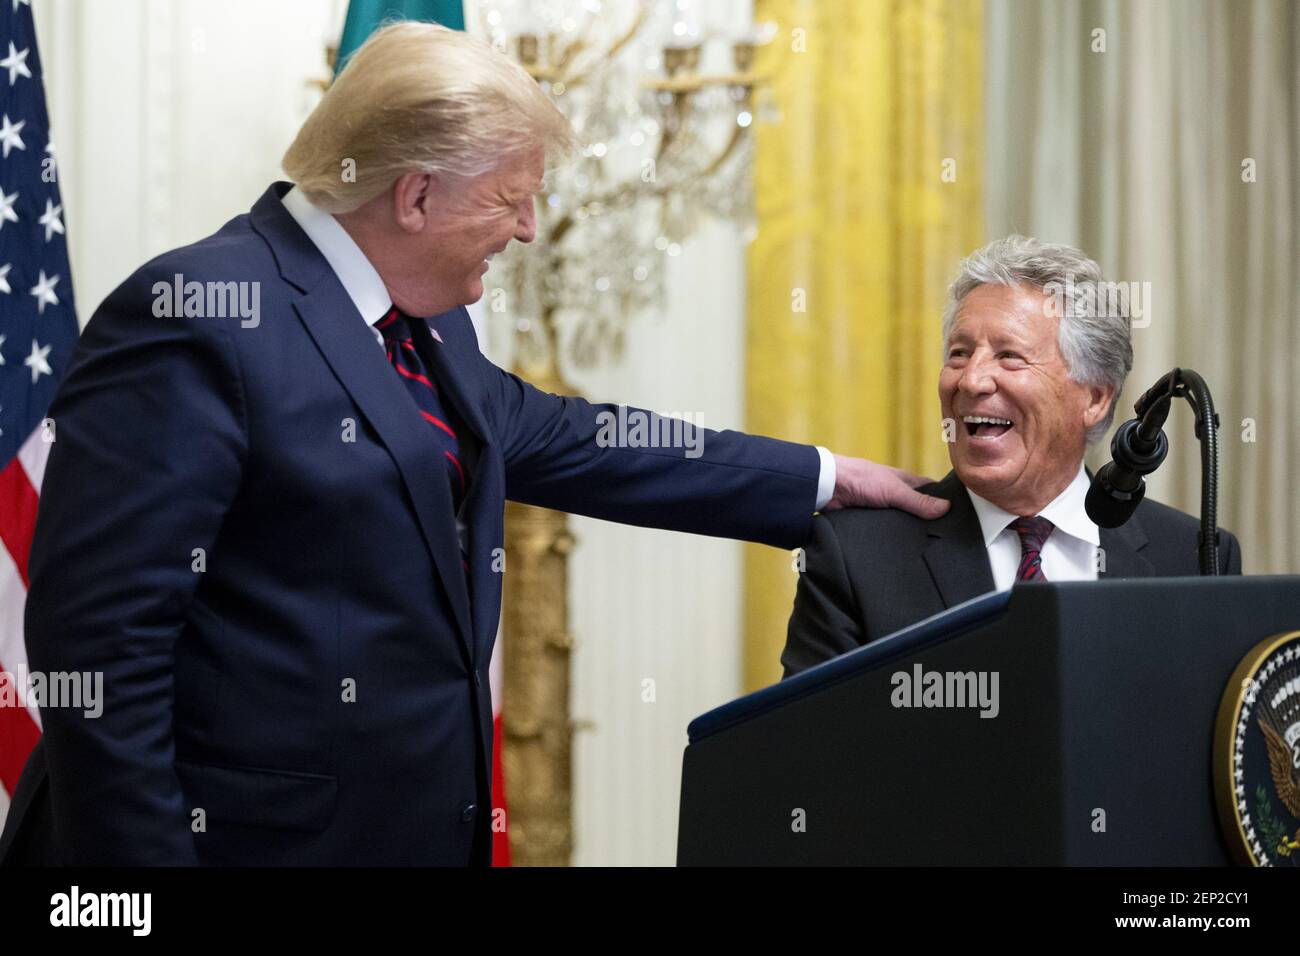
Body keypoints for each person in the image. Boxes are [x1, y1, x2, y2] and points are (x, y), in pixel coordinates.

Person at [0, 22, 946, 866]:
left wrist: (825, 477)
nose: (530, 230)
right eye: (510, 199)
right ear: (414, 195)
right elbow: (100, 654)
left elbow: (585, 438)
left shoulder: (429, 323)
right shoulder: (199, 319)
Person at [781, 235, 1241, 678]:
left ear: (1096, 398)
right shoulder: (856, 556)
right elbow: (809, 750)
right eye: (959, 354)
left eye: (1009, 357)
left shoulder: (1192, 556)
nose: (971, 380)